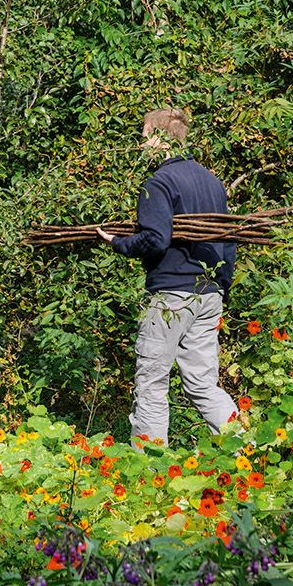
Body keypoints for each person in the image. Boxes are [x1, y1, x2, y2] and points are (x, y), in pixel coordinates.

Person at [97, 107, 237, 447]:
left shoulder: (159, 183)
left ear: (160, 139)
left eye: (145, 135)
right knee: (202, 384)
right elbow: (229, 240)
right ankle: (243, 448)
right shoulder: (212, 182)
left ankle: (148, 465)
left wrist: (119, 243)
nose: (142, 143)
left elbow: (156, 239)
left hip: (172, 294)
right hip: (209, 293)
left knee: (151, 382)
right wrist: (222, 287)